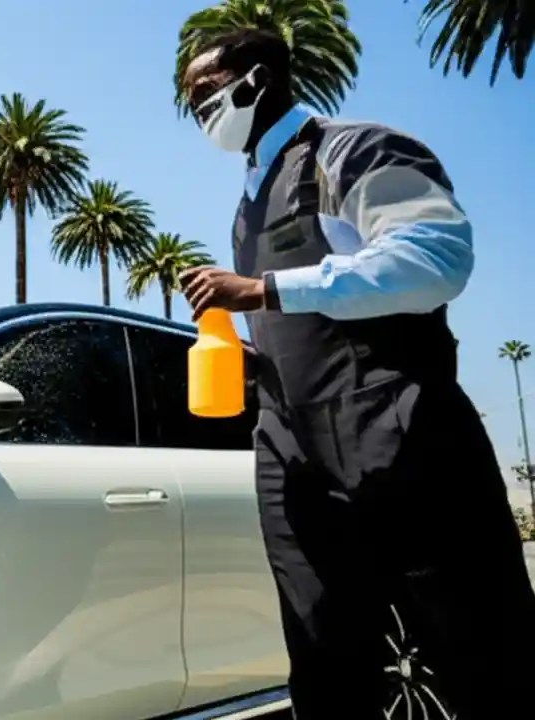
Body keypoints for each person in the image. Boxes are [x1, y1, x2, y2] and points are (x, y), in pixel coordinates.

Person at [176, 28, 535, 719]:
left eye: (204, 92)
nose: (198, 111)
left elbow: (437, 257)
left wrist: (262, 291)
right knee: (323, 658)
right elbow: (302, 318)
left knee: (481, 651)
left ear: (256, 79)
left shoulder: (354, 149)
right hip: (292, 453)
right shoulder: (247, 202)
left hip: (397, 432)